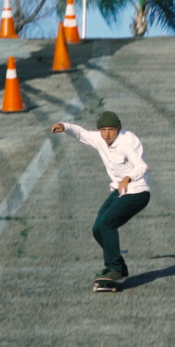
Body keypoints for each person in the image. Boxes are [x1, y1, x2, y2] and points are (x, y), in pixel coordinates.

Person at [51, 111, 151, 292]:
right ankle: (119, 266)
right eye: (103, 130)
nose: (107, 134)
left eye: (111, 130)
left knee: (107, 223)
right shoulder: (99, 138)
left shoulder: (128, 141)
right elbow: (80, 133)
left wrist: (128, 178)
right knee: (98, 229)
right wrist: (64, 126)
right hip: (118, 191)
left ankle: (113, 268)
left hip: (137, 191)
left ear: (118, 129)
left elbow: (141, 166)